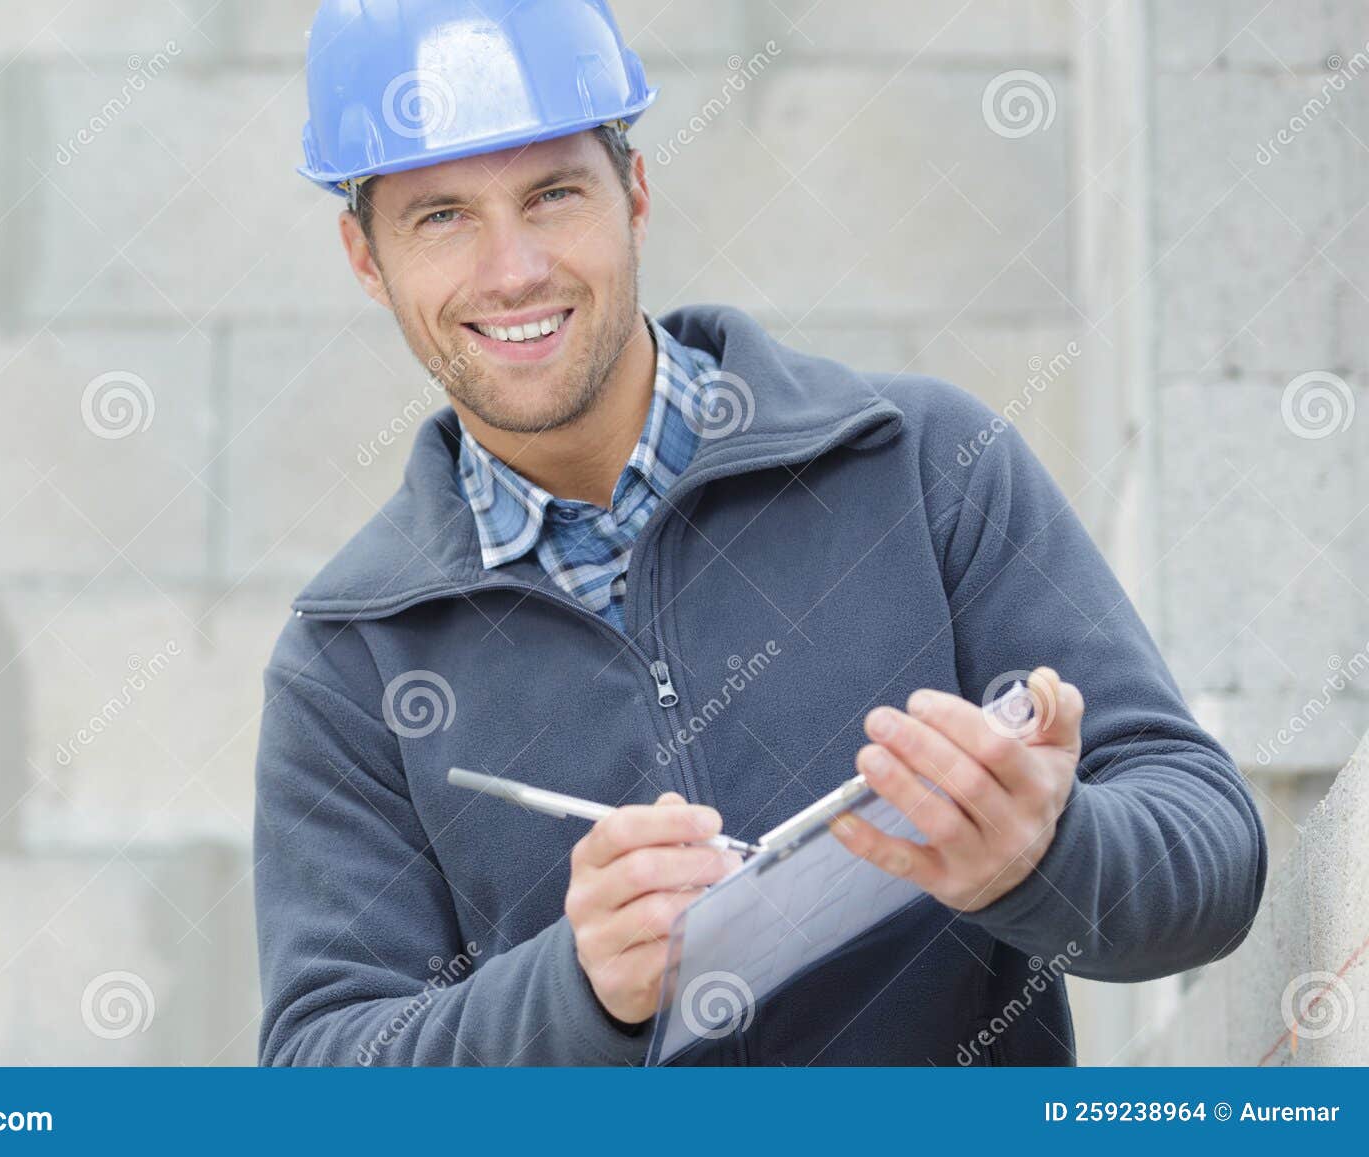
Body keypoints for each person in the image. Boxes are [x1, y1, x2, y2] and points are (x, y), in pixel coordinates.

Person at [253, 0, 1266, 1066]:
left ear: (635, 193)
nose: (512, 270)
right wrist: (575, 991)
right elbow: (325, 1073)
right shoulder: (348, 664)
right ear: (366, 259)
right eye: (441, 217)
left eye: (552, 194)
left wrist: (1048, 853)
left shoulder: (925, 464)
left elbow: (1214, 855)